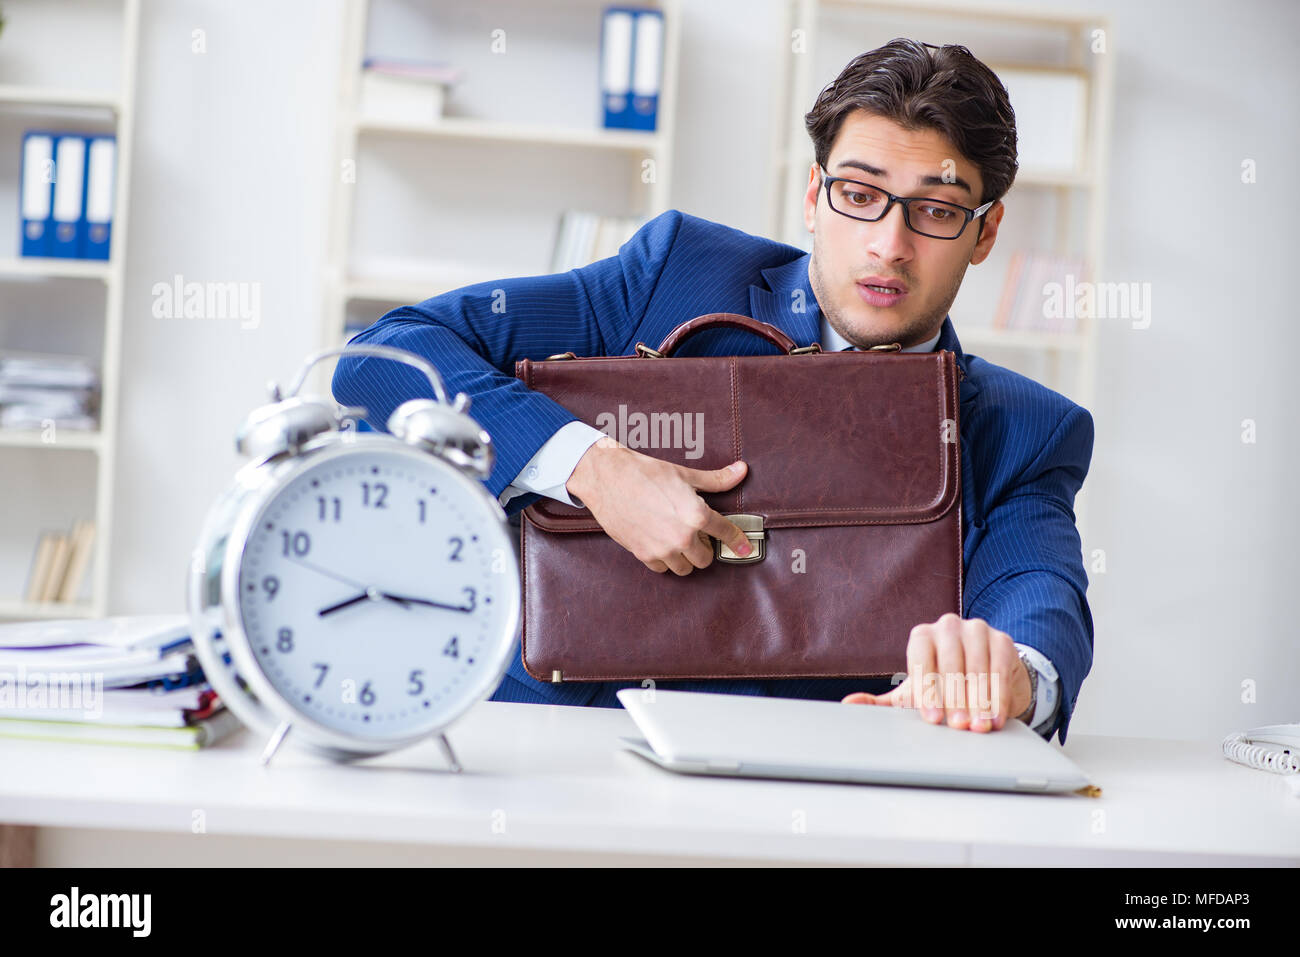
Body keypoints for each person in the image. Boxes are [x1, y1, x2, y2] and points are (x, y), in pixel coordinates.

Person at [332, 39, 1094, 744]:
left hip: (817, 789)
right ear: (812, 197)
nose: (887, 244)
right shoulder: (674, 274)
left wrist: (1013, 674)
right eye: (859, 194)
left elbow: (1039, 596)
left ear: (985, 233)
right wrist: (593, 467)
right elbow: (385, 358)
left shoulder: (1024, 428)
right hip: (557, 757)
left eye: (935, 210)